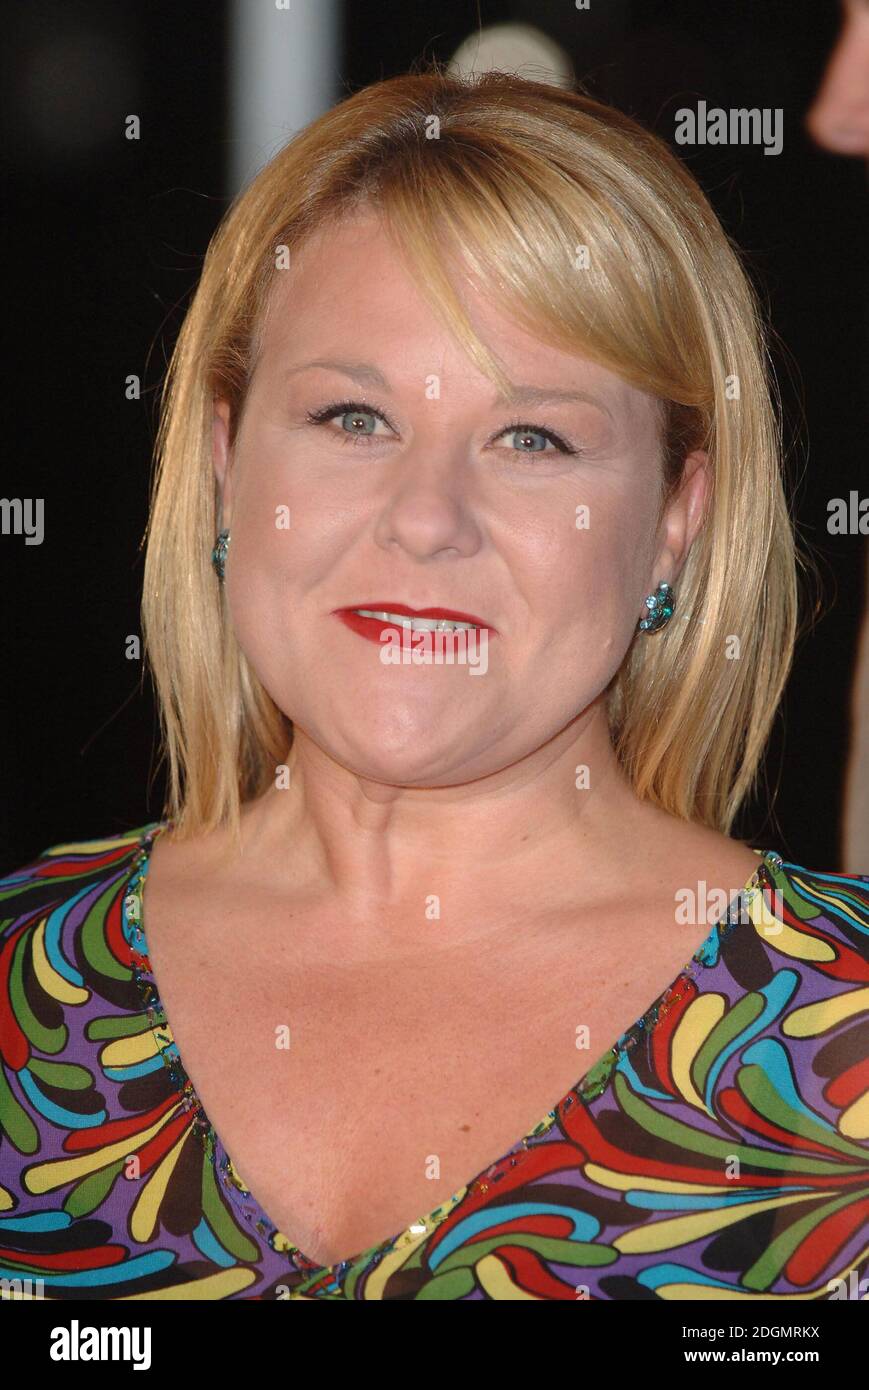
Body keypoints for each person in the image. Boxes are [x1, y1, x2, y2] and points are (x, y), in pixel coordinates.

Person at [1, 67, 867, 1303]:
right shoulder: (17, 978)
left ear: (677, 519)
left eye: (533, 439)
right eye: (354, 417)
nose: (424, 519)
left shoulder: (843, 1041)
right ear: (225, 457)